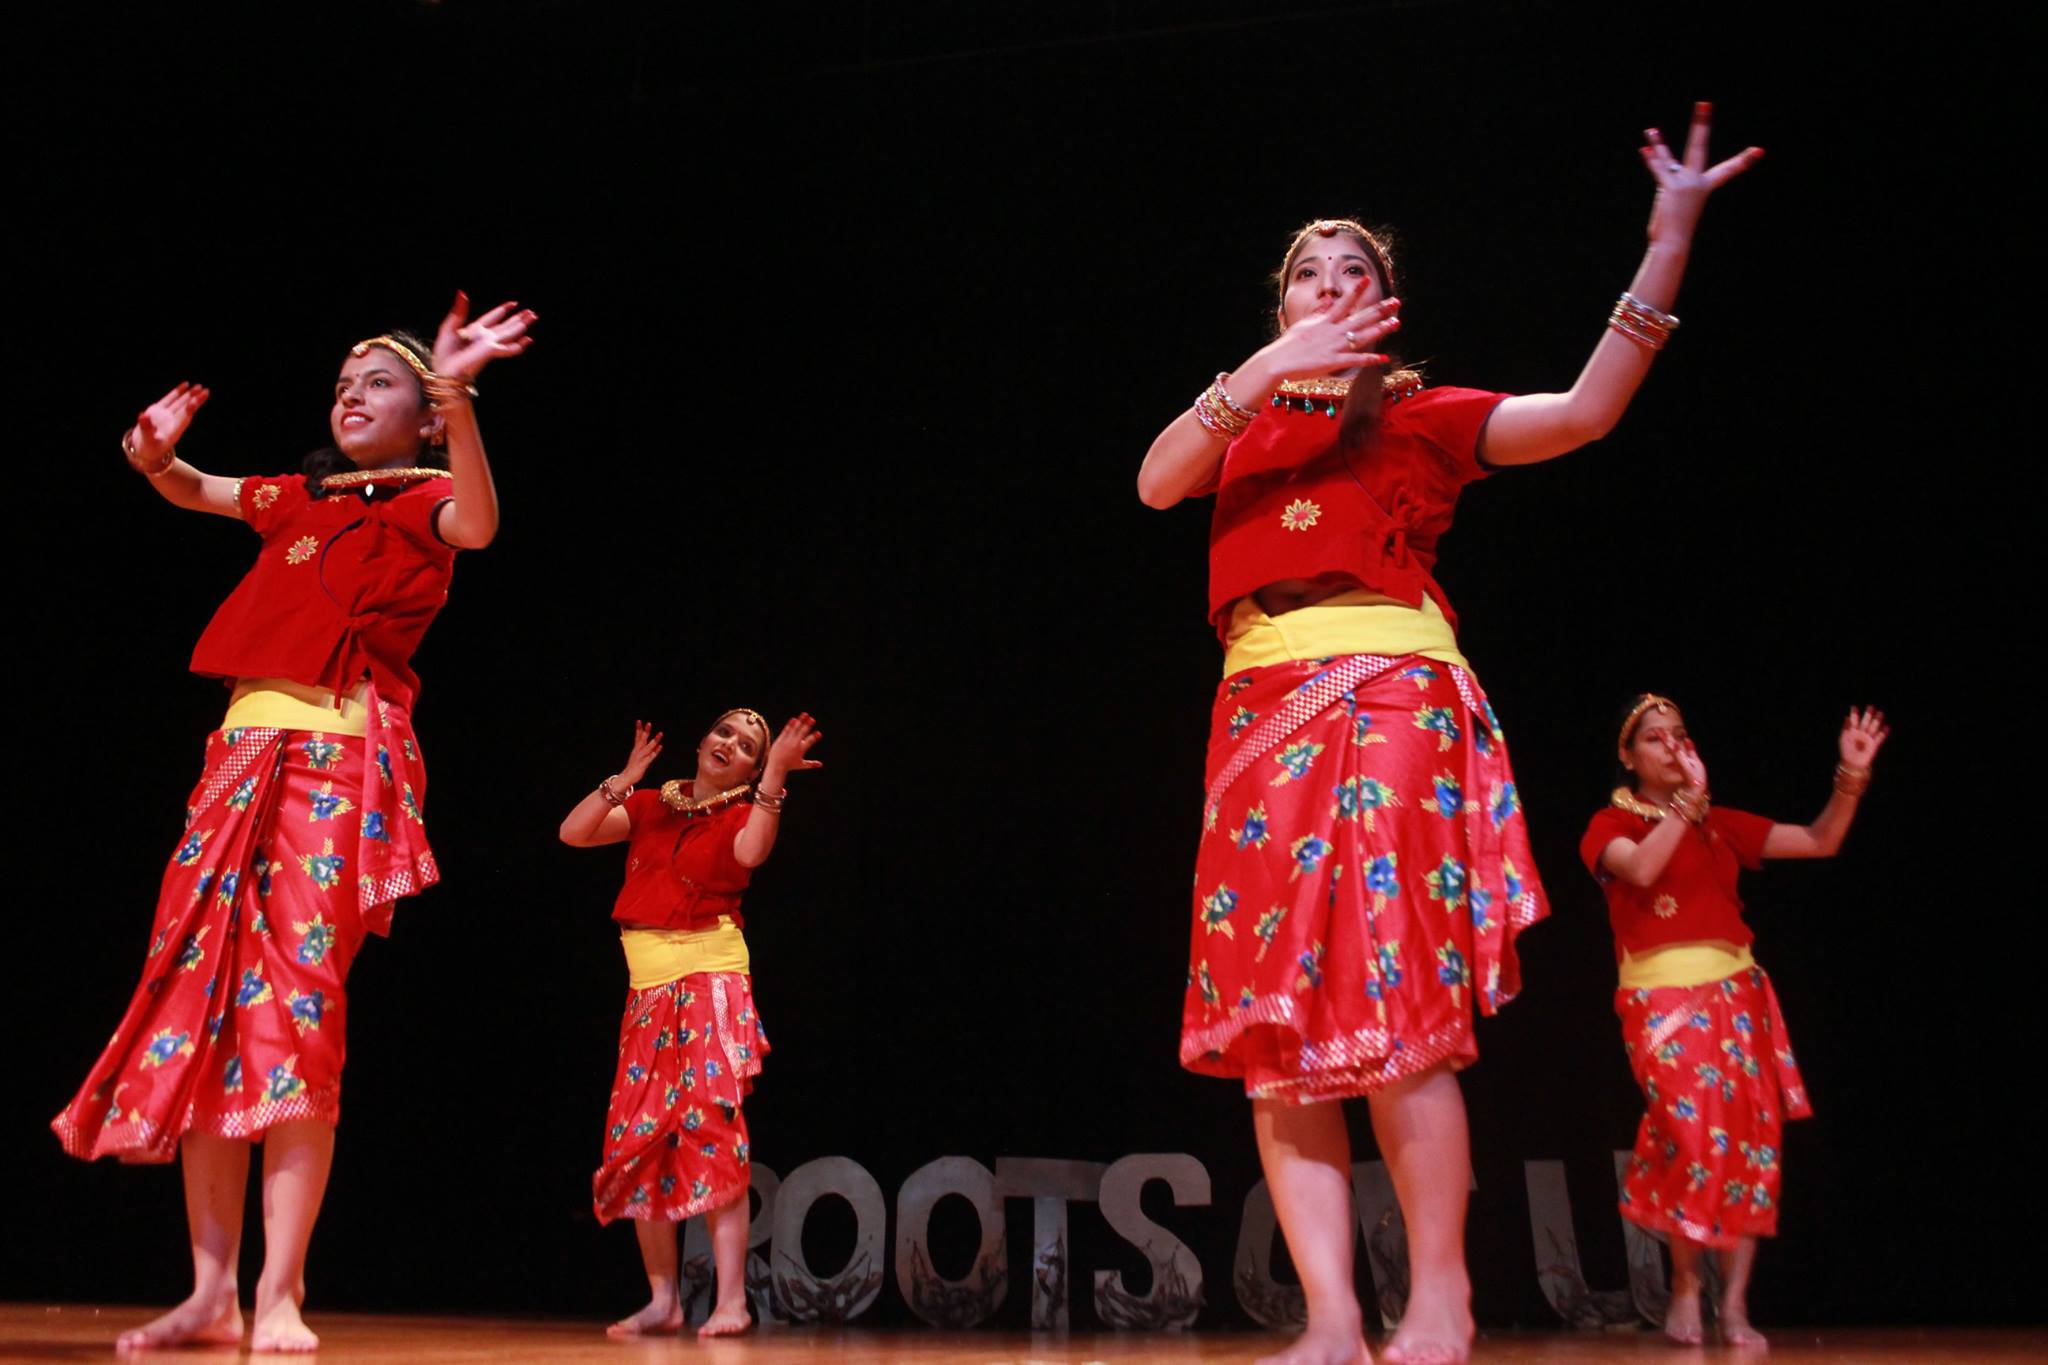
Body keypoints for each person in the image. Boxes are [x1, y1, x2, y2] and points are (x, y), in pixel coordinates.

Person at [1137, 104, 1762, 1365]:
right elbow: (1153, 483)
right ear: (1278, 307)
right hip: (1257, 713)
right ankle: (1326, 1320)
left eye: (1351, 270)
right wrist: (1257, 378)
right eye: (1305, 273)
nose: (1328, 283)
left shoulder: (1415, 417)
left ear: (1387, 304)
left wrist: (1668, 240)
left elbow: (1586, 410)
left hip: (1387, 696)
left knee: (1394, 1003)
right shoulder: (1238, 430)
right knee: (1275, 1030)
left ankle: (1437, 1302)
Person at [51, 294, 534, 1353]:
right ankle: (210, 1293)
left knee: (295, 1017)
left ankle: (281, 1294)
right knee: (206, 1009)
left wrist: (460, 402)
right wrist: (152, 456)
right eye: (343, 383)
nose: (351, 395)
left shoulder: (427, 501)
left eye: (379, 382)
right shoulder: (300, 497)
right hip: (236, 764)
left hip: (335, 767)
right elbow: (195, 488)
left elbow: (483, 525)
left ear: (423, 413)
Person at [1582, 696, 1887, 1348]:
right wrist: (1688, 804)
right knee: (1689, 1138)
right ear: (1627, 756)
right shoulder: (1612, 822)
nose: (1671, 747)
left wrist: (1850, 775)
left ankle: (1738, 1305)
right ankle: (1688, 1284)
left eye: (1679, 735)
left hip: (1738, 990)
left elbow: (1820, 839)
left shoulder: (1717, 822)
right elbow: (1640, 868)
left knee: (1749, 1146)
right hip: (1662, 1000)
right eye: (1654, 739)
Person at [560, 709, 823, 1338]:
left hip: (711, 979)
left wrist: (777, 781)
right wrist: (624, 777)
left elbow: (750, 852)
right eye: (724, 731)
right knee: (641, 1135)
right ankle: (663, 1300)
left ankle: (732, 1300)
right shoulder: (653, 805)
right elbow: (573, 833)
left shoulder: (746, 811)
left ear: (756, 766)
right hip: (648, 988)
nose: (729, 742)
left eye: (749, 744)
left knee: (711, 1126)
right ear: (703, 741)